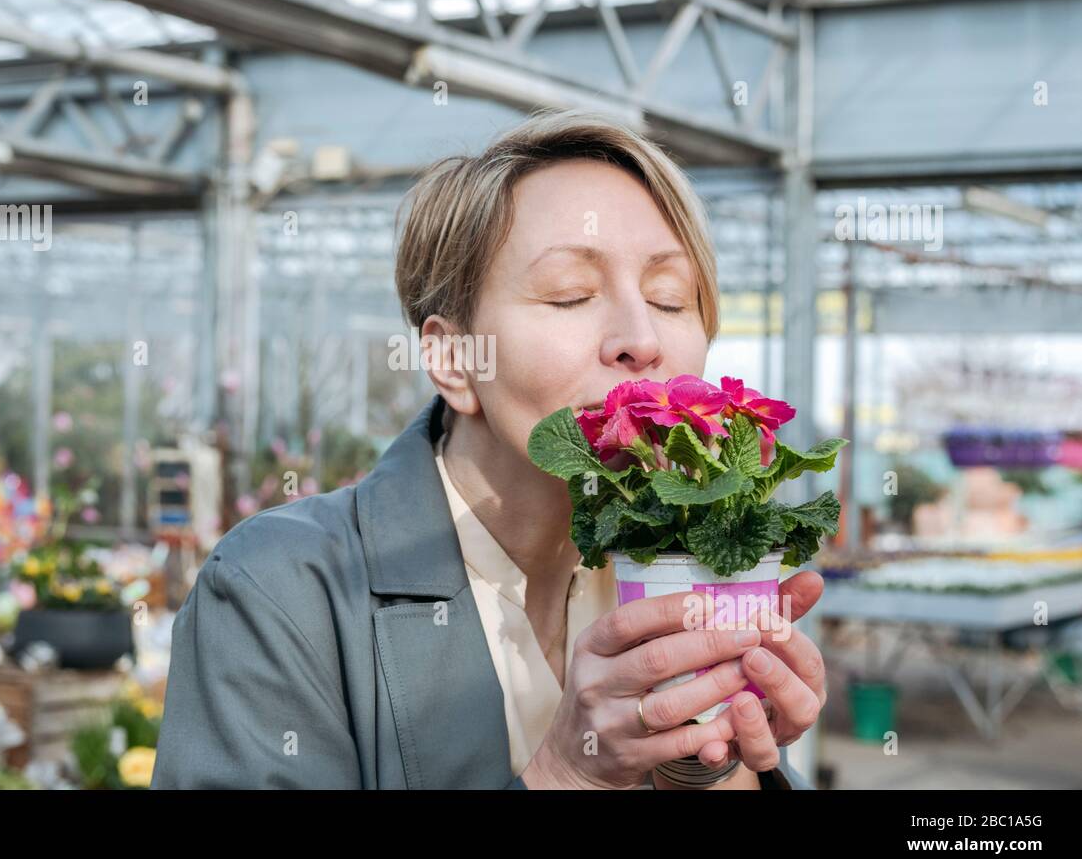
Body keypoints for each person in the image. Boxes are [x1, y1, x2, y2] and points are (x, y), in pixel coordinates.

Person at [152, 109, 826, 789]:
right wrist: (567, 774)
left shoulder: (672, 569)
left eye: (669, 297)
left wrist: (701, 760)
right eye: (572, 295)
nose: (641, 338)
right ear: (451, 358)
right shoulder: (280, 591)